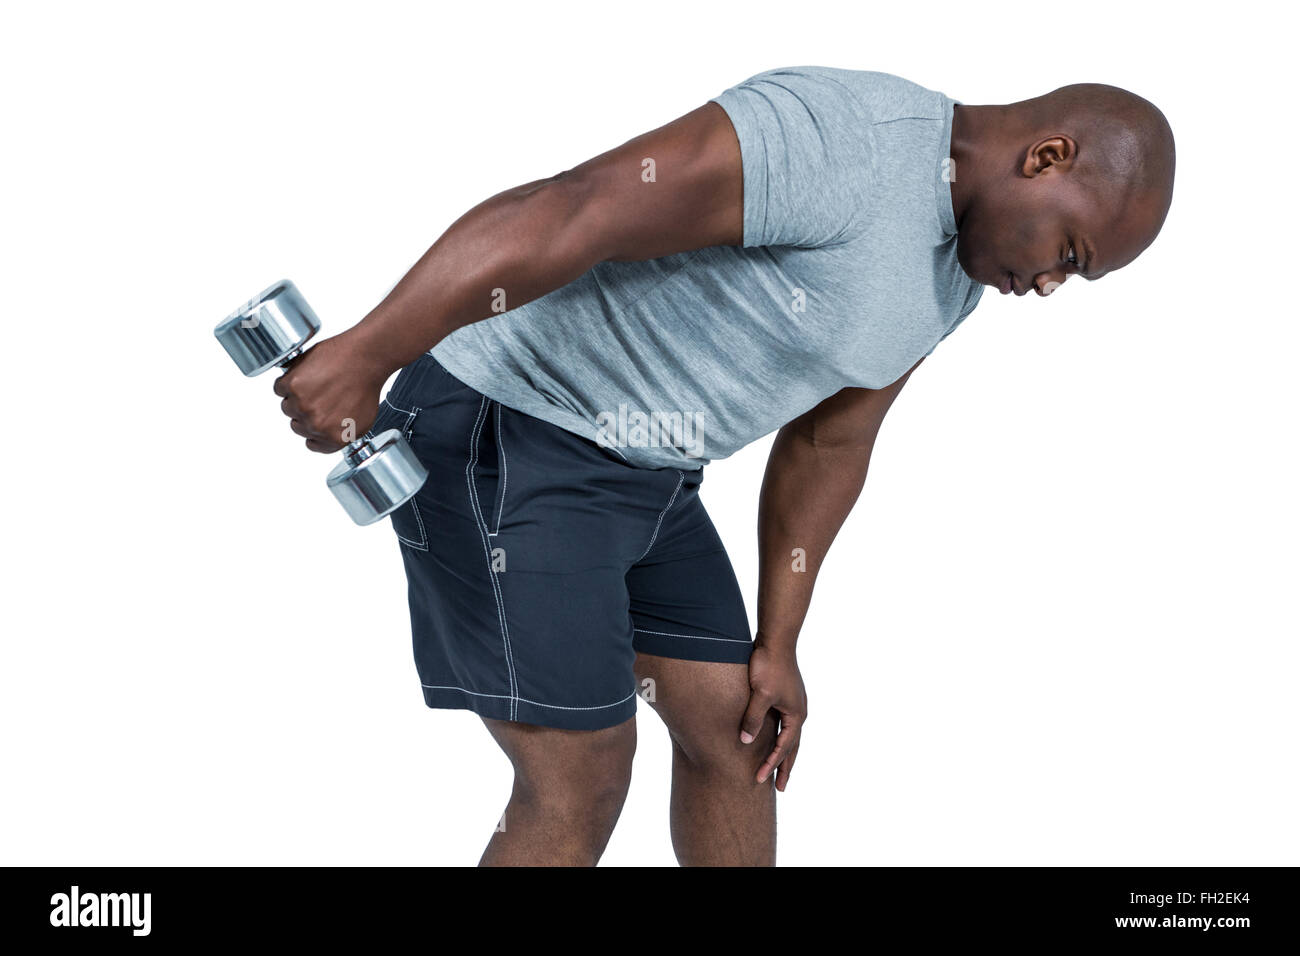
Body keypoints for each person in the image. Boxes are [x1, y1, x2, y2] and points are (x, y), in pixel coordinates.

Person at [272, 65, 1176, 866]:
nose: (1052, 285)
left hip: (651, 477)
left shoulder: (955, 282)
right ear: (1048, 156)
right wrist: (368, 353)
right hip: (516, 427)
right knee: (581, 779)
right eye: (1070, 253)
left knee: (741, 733)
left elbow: (833, 441)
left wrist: (780, 642)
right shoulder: (843, 139)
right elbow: (577, 204)